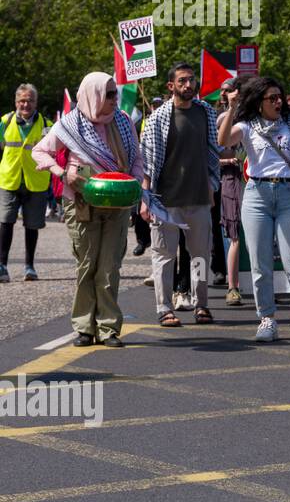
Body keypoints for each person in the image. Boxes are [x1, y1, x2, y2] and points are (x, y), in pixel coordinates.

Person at [33, 72, 145, 347]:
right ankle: (84, 327)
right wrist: (61, 173)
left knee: (109, 267)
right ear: (92, 95)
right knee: (87, 265)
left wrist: (137, 184)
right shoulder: (69, 125)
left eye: (114, 93)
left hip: (117, 203)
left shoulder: (123, 120)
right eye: (108, 94)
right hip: (82, 203)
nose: (113, 99)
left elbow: (137, 158)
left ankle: (108, 328)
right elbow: (40, 152)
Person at [218, 75, 290, 344]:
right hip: (257, 194)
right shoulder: (246, 126)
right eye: (272, 98)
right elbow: (222, 141)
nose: (278, 102)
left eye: (279, 97)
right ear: (259, 103)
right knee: (260, 263)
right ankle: (267, 318)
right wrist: (232, 107)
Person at [140, 63, 220, 328]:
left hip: (198, 198)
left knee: (199, 255)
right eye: (183, 81)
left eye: (191, 80)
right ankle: (164, 308)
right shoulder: (157, 118)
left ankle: (201, 304)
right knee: (164, 256)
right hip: (166, 201)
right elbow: (147, 163)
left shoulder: (205, 112)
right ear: (171, 86)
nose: (189, 85)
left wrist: (211, 185)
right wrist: (145, 198)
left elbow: (212, 154)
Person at [0, 83, 51, 282]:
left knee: (32, 225)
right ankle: (2, 265)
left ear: (36, 102)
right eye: (22, 100)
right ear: (16, 102)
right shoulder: (5, 121)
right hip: (9, 178)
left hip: (36, 180)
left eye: (30, 100)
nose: (26, 104)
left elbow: (55, 151)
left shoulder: (47, 125)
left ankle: (29, 267)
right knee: (6, 221)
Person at [215, 80, 245, 307]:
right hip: (232, 179)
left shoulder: (256, 120)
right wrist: (227, 160)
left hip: (253, 181)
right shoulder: (223, 120)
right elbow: (214, 151)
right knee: (234, 234)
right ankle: (232, 287)